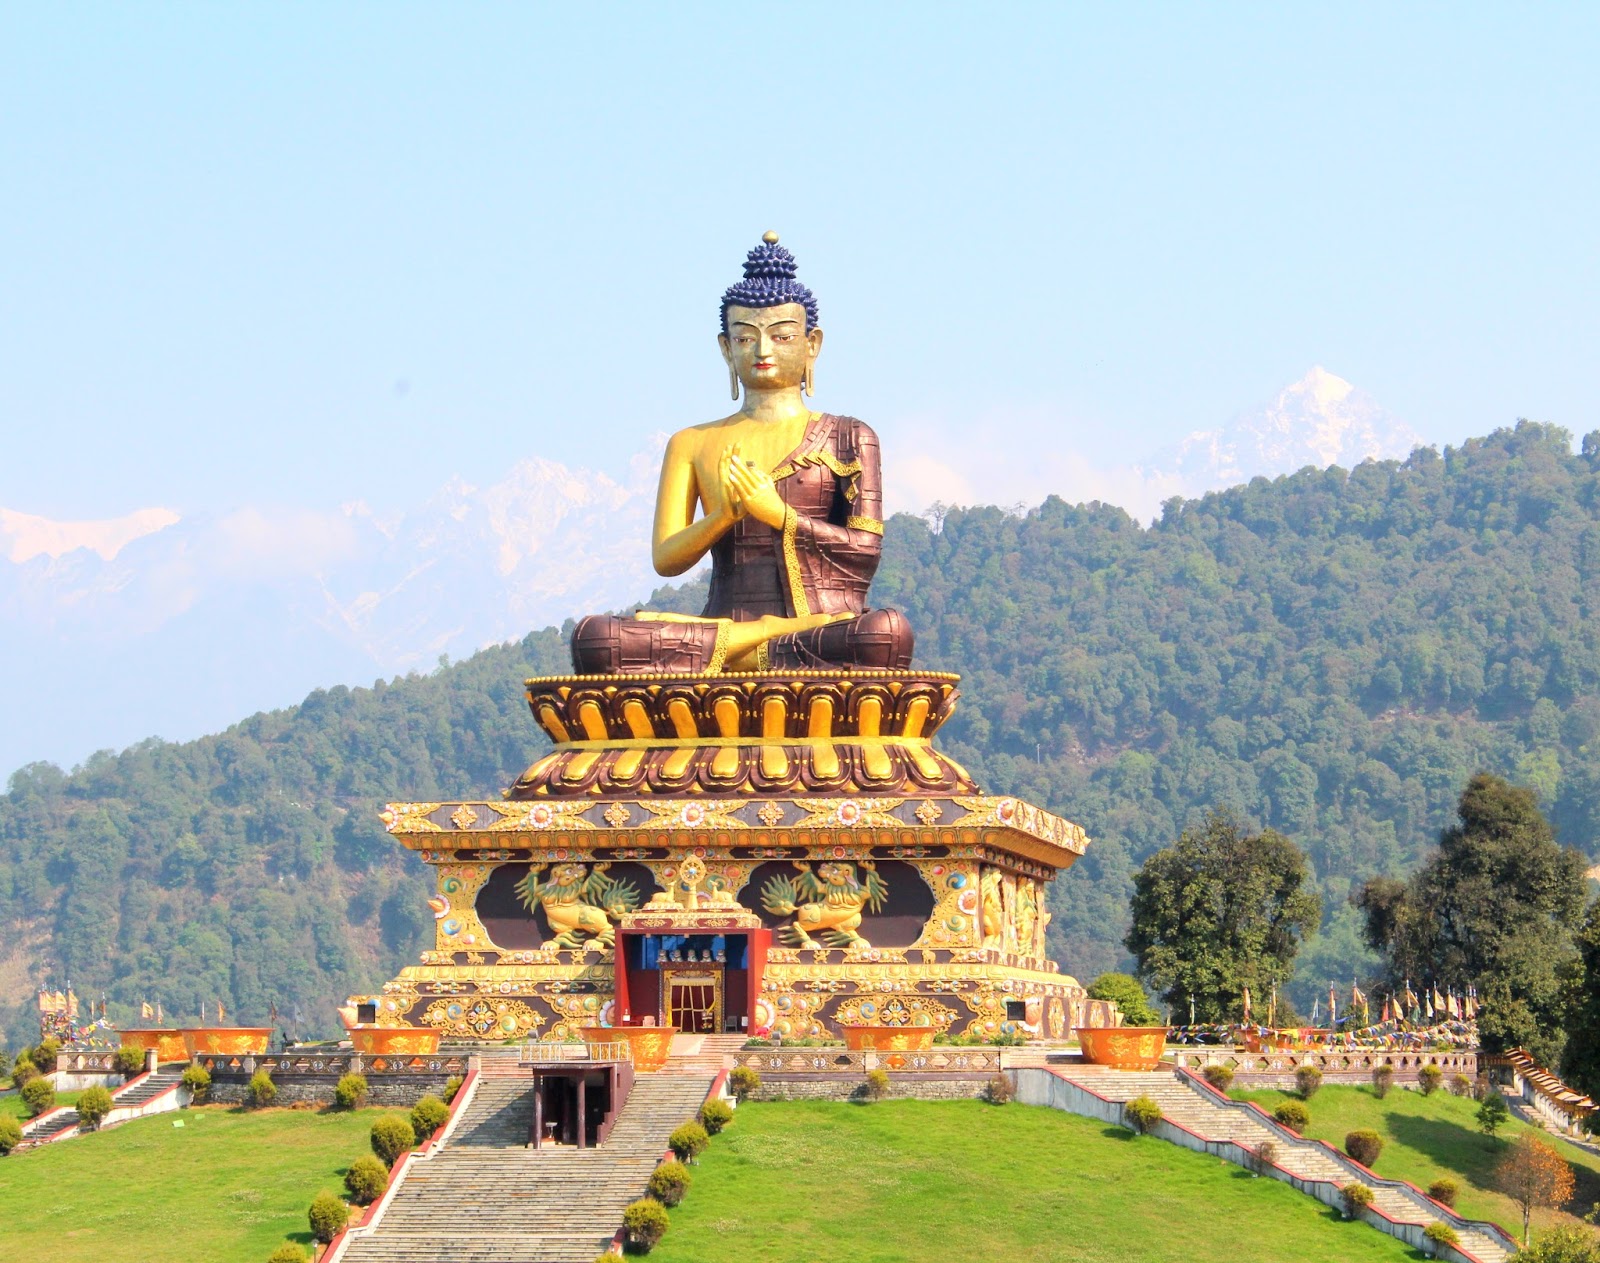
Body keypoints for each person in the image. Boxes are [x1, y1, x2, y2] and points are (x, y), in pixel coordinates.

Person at [570, 234, 913, 674]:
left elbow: (865, 551)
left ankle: (735, 652)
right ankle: (759, 641)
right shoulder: (691, 442)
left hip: (821, 625)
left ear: (812, 344)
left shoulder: (850, 436)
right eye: (746, 338)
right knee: (597, 640)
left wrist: (778, 514)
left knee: (884, 634)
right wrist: (724, 517)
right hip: (730, 624)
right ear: (726, 347)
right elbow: (666, 560)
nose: (763, 350)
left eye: (782, 336)